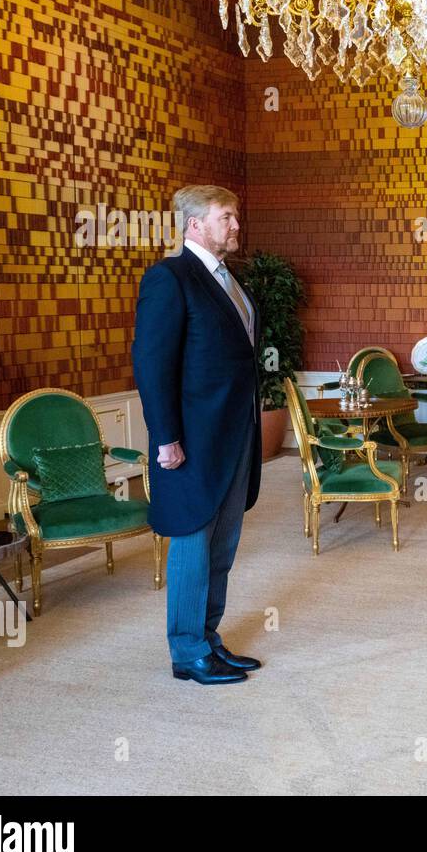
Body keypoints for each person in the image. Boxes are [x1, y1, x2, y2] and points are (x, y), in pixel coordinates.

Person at [132, 185, 263, 685]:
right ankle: (186, 652)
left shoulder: (230, 279)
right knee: (192, 541)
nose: (235, 225)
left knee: (223, 544)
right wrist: (166, 438)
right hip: (189, 441)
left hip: (236, 435)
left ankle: (208, 640)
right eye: (226, 217)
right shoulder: (170, 278)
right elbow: (152, 364)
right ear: (195, 225)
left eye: (235, 216)